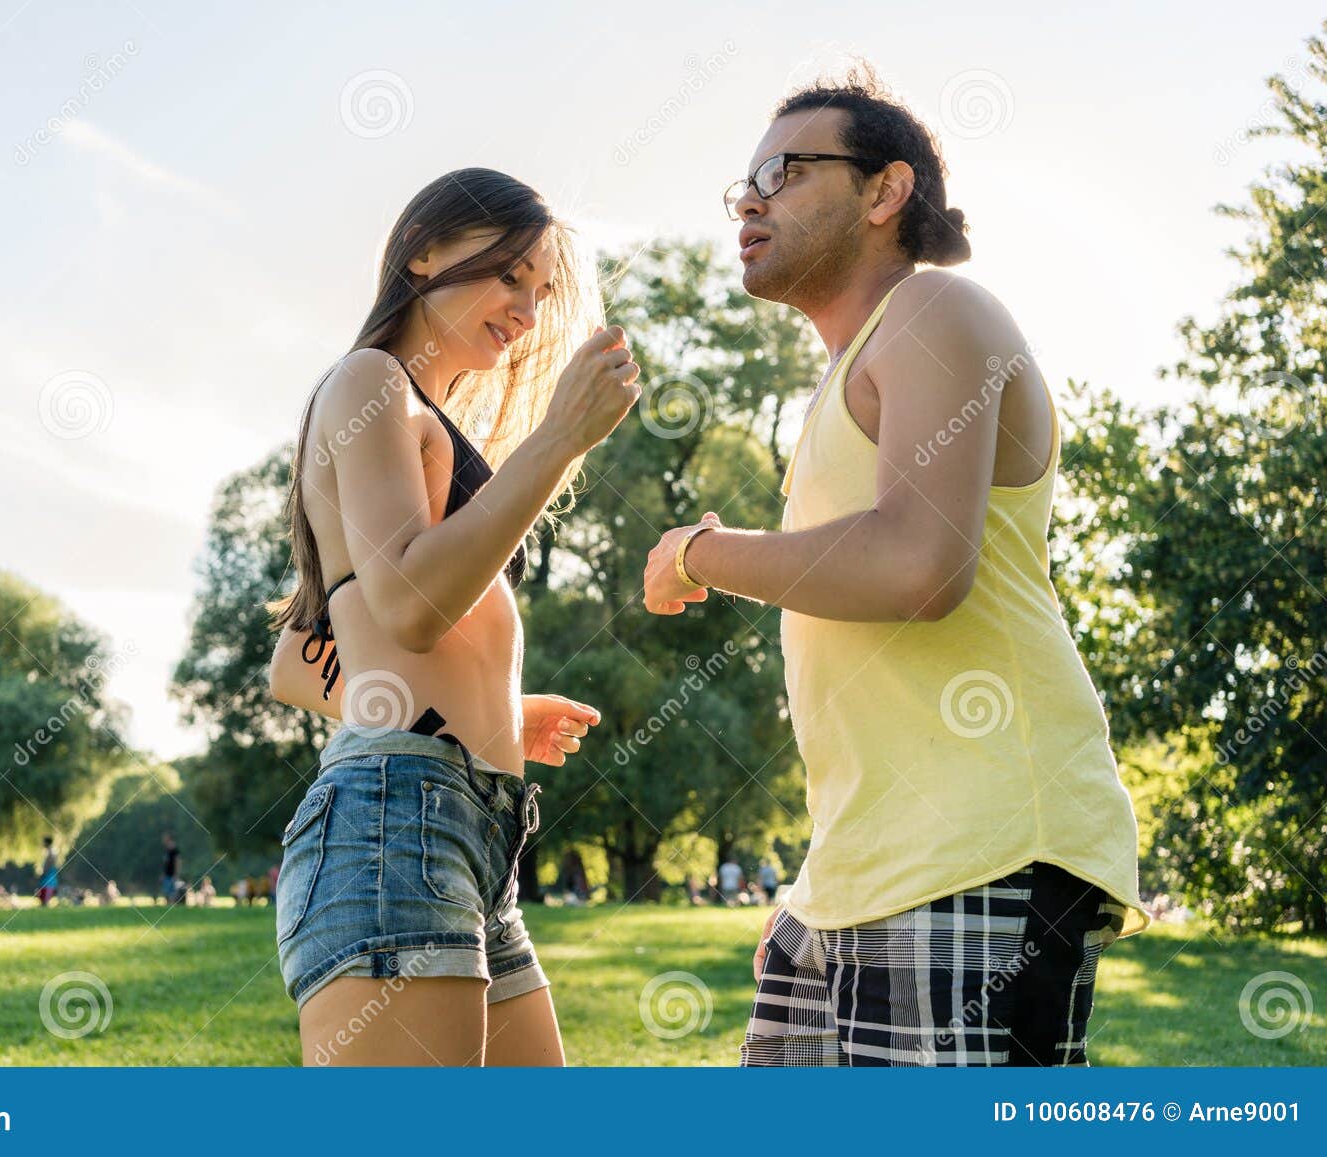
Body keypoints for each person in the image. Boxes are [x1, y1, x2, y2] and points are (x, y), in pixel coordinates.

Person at [641, 67, 1151, 1067]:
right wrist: (822, 883)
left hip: (981, 849)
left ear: (885, 191)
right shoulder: (845, 374)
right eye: (742, 181)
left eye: (783, 170)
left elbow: (920, 564)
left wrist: (700, 553)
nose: (750, 197)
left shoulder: (933, 312)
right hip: (865, 869)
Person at [265, 167, 638, 1066]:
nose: (526, 307)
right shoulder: (368, 385)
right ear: (423, 250)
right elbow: (407, 604)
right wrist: (558, 439)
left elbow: (301, 659)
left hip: (474, 834)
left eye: (540, 291)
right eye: (510, 273)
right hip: (397, 821)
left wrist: (500, 716)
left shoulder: (418, 421)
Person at [37, 837, 59, 906]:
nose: (43, 844)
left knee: (47, 886)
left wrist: (44, 871)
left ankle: (45, 902)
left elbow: (49, 864)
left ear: (47, 843)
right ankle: (44, 902)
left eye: (44, 842)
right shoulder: (51, 851)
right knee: (47, 886)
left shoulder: (51, 852)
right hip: (50, 873)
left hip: (49, 873)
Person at [160, 832, 179, 905]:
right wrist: (163, 874)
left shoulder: (174, 849)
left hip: (172, 874)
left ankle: (171, 905)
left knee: (171, 892)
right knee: (166, 892)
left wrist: (176, 873)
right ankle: (168, 905)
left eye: (164, 837)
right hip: (166, 874)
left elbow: (177, 862)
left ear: (168, 838)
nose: (163, 839)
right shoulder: (166, 849)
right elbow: (165, 864)